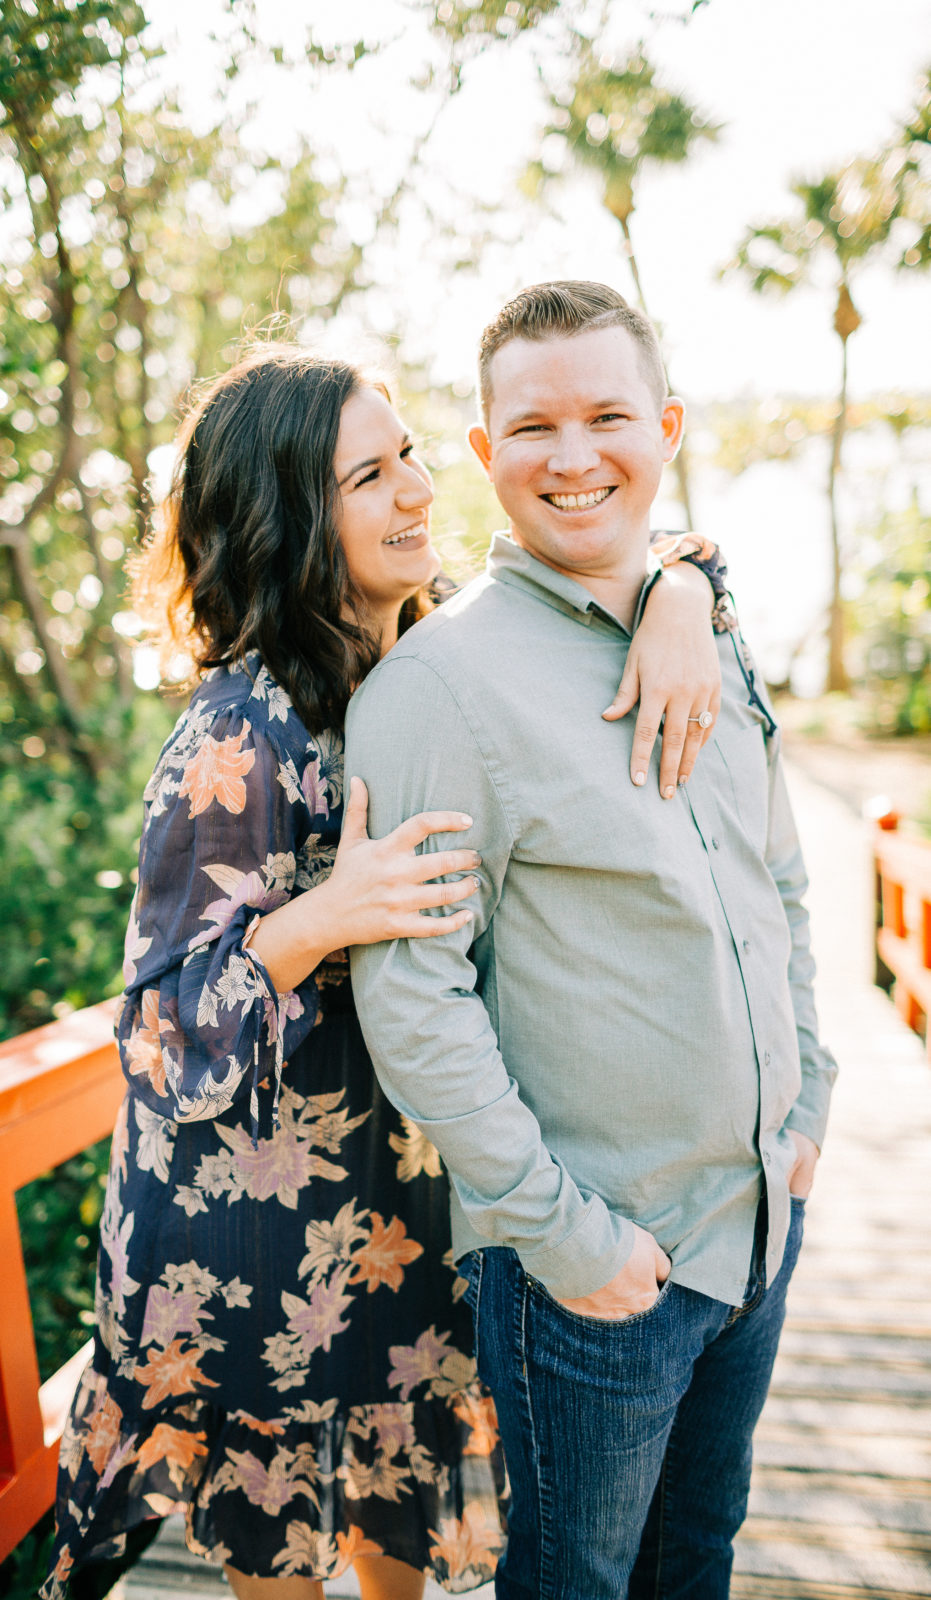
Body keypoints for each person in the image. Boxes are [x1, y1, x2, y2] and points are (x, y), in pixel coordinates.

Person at [41, 342, 731, 1600]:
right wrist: (317, 919)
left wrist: (679, 595)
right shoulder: (238, 734)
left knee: (398, 1551)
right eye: (371, 475)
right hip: (251, 1248)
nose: (418, 488)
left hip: (399, 1222)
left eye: (409, 451)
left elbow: (629, 549)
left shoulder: (431, 660)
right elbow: (153, 1035)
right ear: (298, 519)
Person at [346, 282, 838, 1600]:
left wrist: (806, 1096)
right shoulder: (435, 688)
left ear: (665, 426)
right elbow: (414, 1002)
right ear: (482, 451)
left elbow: (775, 877)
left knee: (696, 1560)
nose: (572, 458)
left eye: (606, 415)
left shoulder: (706, 630)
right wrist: (570, 1240)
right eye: (533, 427)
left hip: (754, 1221)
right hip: (596, 1266)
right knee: (573, 1583)